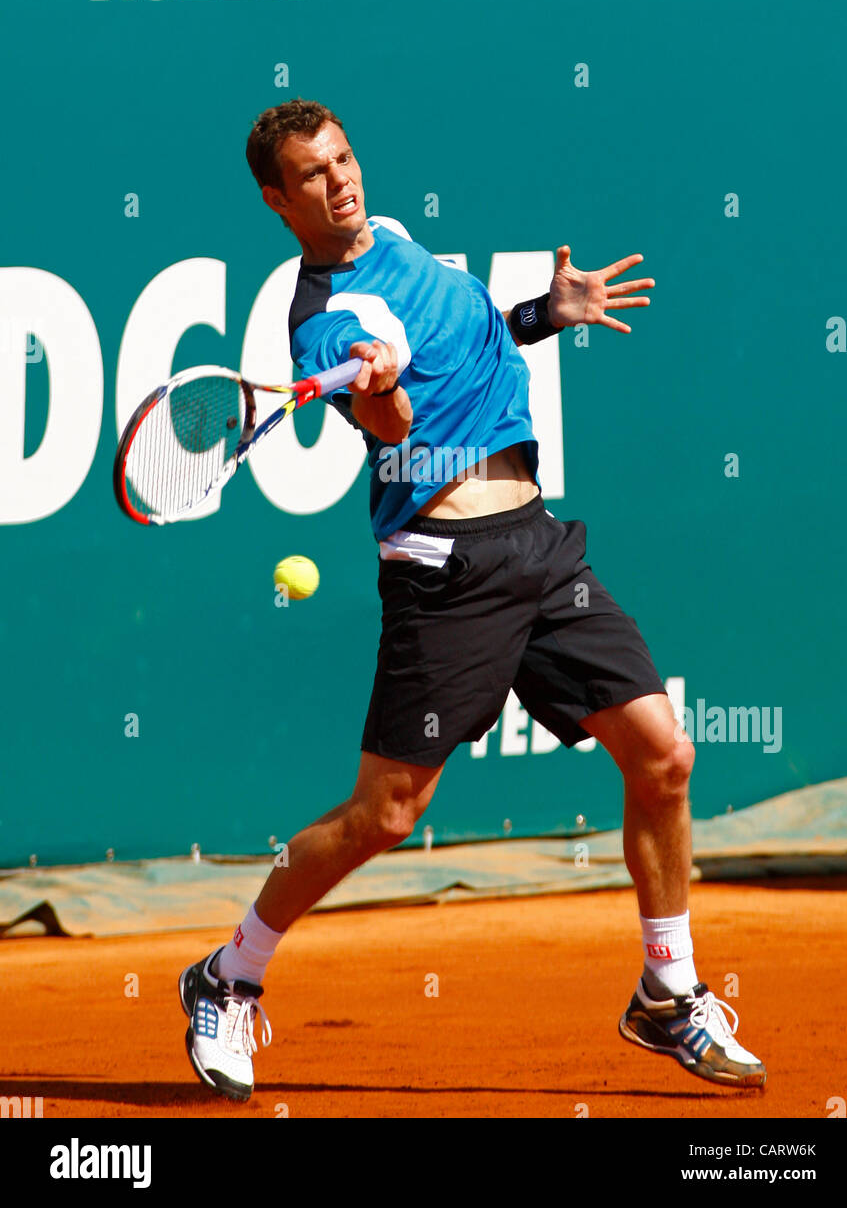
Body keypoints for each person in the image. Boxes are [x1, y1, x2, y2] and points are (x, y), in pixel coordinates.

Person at [178, 99, 766, 1102]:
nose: (341, 180)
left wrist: (543, 313)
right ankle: (228, 974)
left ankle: (666, 991)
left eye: (345, 156)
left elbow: (469, 336)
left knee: (663, 754)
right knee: (385, 815)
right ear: (278, 203)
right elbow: (394, 413)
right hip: (443, 570)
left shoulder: (402, 245)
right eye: (313, 175)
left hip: (535, 543)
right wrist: (379, 388)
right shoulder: (326, 316)